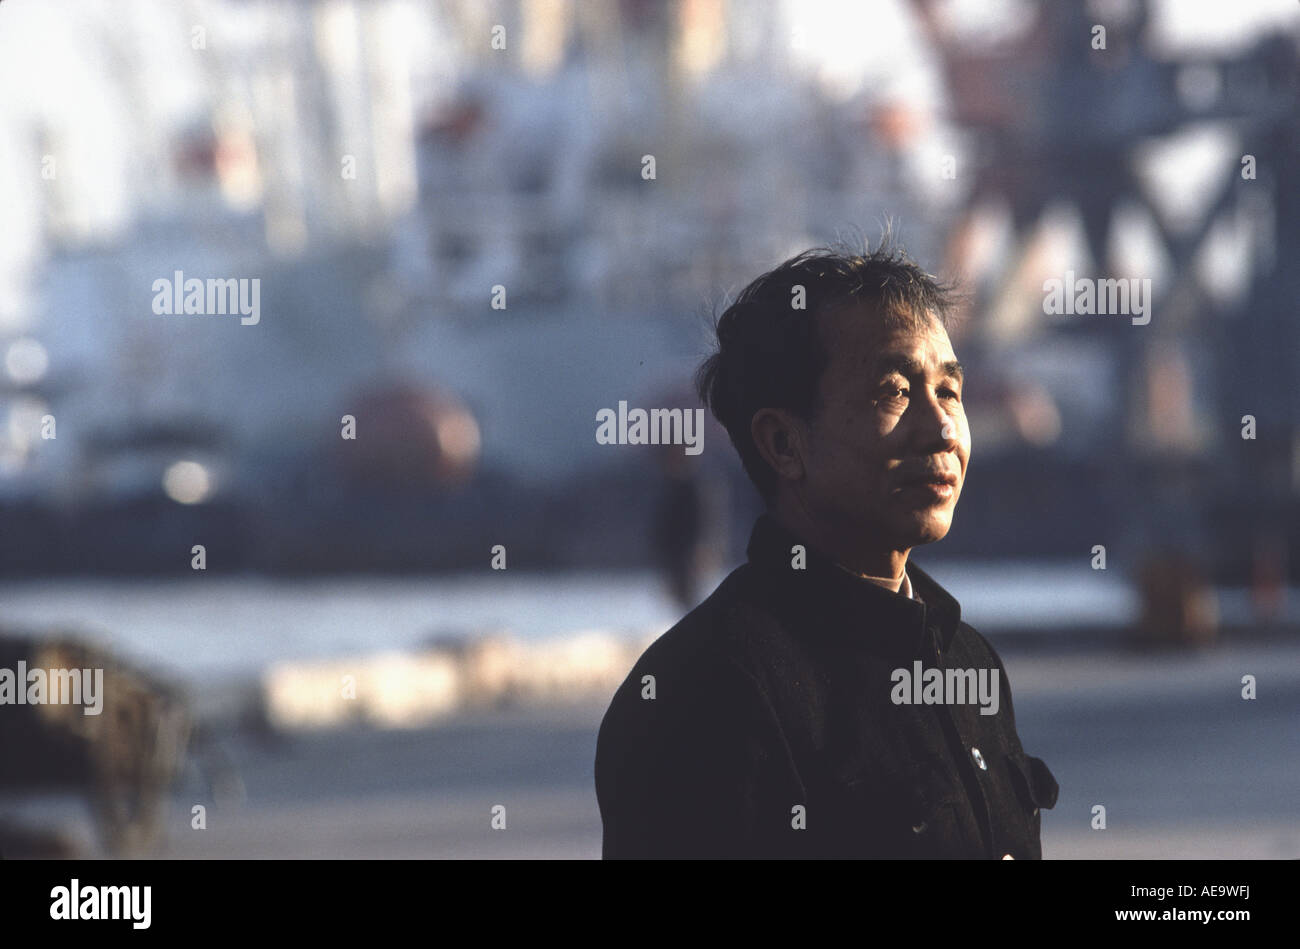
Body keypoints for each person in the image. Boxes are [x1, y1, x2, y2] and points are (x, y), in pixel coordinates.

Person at [594, 237, 1059, 858]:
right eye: (895, 390)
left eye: (949, 391)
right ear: (784, 444)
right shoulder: (704, 697)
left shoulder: (967, 661)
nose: (942, 428)